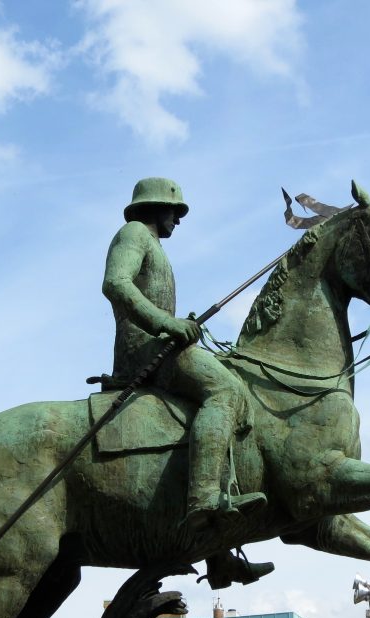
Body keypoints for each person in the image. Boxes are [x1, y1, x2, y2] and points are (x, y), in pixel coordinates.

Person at [102, 177, 272, 588]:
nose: (177, 219)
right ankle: (203, 500)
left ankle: (220, 557)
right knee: (226, 391)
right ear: (155, 206)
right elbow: (116, 284)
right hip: (146, 349)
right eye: (174, 211)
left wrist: (182, 325)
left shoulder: (154, 244)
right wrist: (167, 324)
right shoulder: (133, 234)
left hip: (161, 343)